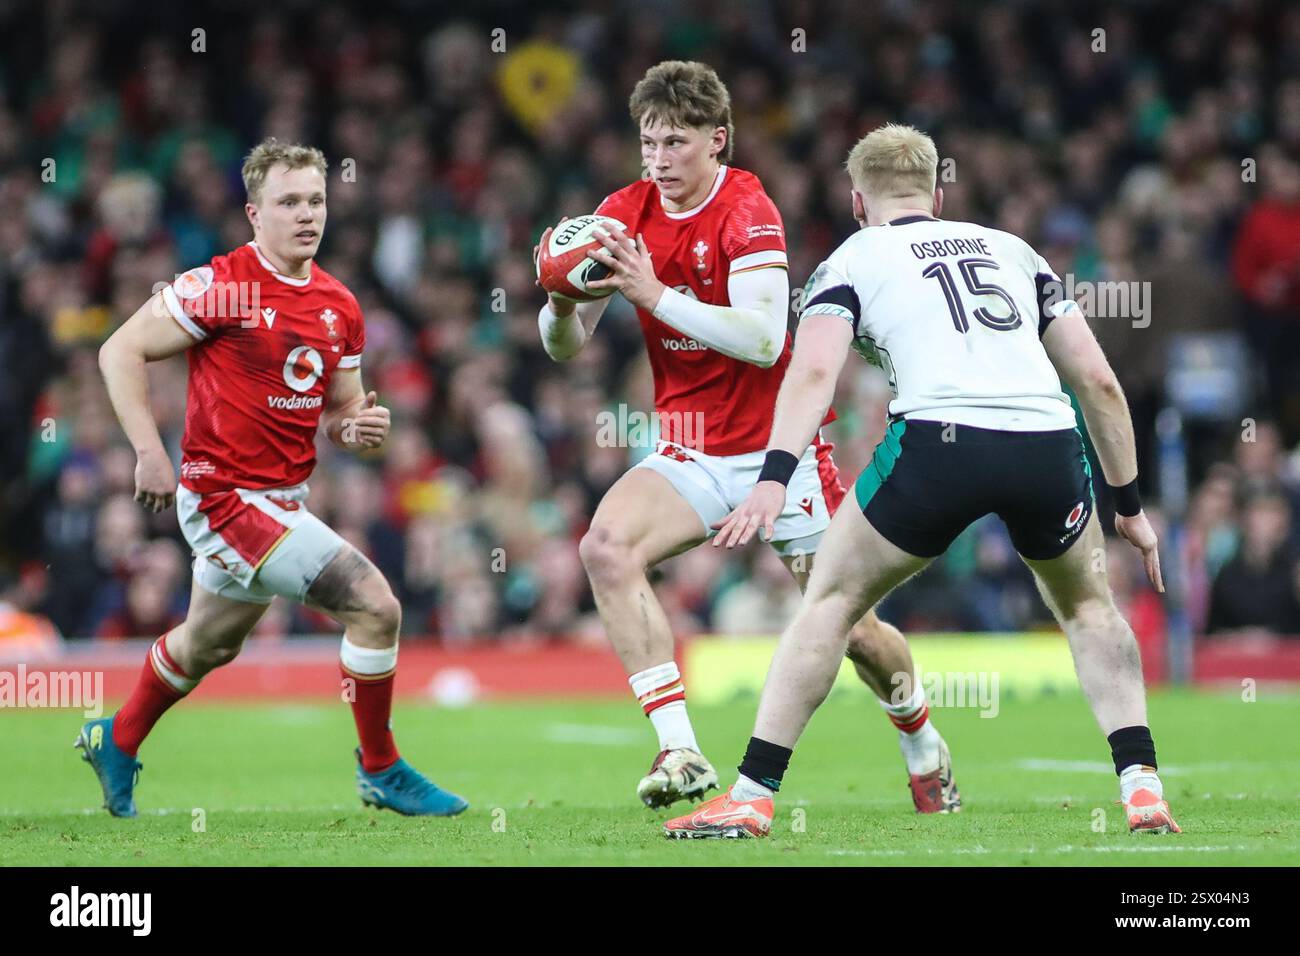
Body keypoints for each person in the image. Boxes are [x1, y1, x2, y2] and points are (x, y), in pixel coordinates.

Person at [664, 123, 1179, 838]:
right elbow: (1098, 382)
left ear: (855, 200)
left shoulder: (852, 258)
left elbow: (814, 373)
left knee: (830, 603)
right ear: (938, 193)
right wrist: (1129, 506)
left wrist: (775, 476)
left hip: (940, 443)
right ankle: (1143, 786)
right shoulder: (1014, 250)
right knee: (1090, 610)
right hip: (1044, 442)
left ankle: (751, 795)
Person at [537, 63, 959, 813]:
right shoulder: (622, 212)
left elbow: (765, 339)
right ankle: (681, 750)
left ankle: (920, 734)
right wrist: (562, 302)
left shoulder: (748, 207)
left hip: (781, 453)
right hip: (691, 447)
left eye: (675, 141)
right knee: (605, 547)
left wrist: (654, 295)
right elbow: (564, 348)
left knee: (856, 631)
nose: (658, 159)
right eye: (648, 142)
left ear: (717, 140)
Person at [79, 138, 467, 818]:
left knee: (208, 644)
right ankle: (381, 768)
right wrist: (147, 451)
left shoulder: (338, 306)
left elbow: (344, 411)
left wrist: (357, 428)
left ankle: (117, 737)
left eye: (316, 200)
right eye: (288, 202)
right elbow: (120, 350)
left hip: (282, 499)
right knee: (376, 606)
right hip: (223, 496)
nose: (306, 214)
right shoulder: (220, 285)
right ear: (254, 214)